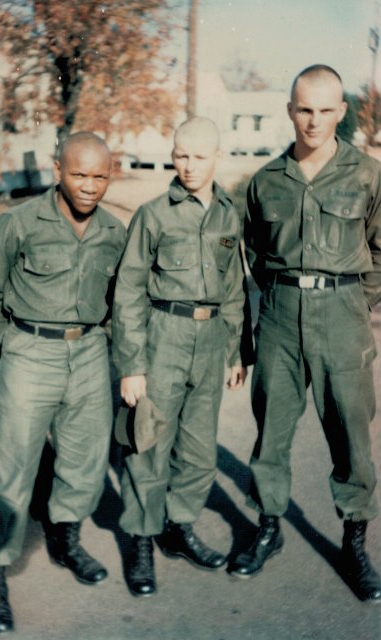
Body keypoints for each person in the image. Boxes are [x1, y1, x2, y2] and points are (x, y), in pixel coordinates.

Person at [228, 65, 381, 604]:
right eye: (304, 110)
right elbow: (254, 252)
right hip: (280, 316)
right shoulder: (266, 181)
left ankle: (355, 541)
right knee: (271, 430)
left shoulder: (367, 175)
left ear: (342, 112)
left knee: (351, 436)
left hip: (342, 314)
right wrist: (279, 298)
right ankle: (268, 528)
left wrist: (356, 301)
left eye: (324, 110)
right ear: (290, 111)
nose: (313, 121)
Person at [0, 132, 126, 633]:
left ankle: (66, 539)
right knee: (12, 467)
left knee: (84, 459)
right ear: (58, 170)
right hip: (30, 352)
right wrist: (12, 337)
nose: (89, 186)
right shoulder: (20, 222)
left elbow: (121, 297)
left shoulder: (114, 231)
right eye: (79, 174)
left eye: (99, 176)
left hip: (90, 352)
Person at [112, 117, 252, 596]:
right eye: (181, 155)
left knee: (198, 449)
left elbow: (233, 288)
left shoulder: (228, 216)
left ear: (217, 157)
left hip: (210, 340)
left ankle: (178, 526)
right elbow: (128, 290)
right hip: (163, 336)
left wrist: (235, 352)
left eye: (199, 156)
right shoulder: (153, 215)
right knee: (148, 441)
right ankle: (142, 539)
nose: (189, 165)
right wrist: (132, 365)